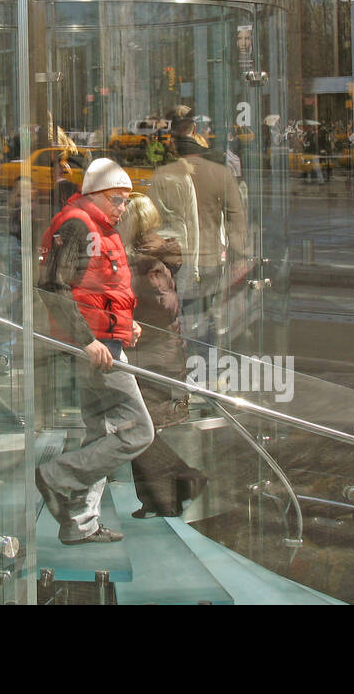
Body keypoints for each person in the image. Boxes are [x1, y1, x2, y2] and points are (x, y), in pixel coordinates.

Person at [35, 157, 154, 545]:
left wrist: (124, 324)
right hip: (95, 348)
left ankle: (79, 523)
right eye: (118, 199)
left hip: (102, 342)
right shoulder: (79, 225)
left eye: (125, 200)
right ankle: (56, 476)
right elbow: (53, 285)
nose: (123, 208)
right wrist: (88, 340)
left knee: (103, 431)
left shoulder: (95, 227)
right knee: (137, 430)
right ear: (97, 196)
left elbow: (102, 290)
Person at [116, 195, 206, 518]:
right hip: (150, 352)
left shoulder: (147, 261)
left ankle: (178, 485)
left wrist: (127, 295)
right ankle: (159, 498)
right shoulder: (145, 256)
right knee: (139, 428)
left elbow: (163, 304)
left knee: (138, 428)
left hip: (153, 355)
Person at [150, 105, 249, 344]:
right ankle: (205, 362)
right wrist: (239, 256)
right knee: (206, 317)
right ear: (195, 131)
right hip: (209, 256)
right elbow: (237, 218)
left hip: (175, 258)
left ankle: (185, 363)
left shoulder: (163, 174)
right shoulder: (219, 173)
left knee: (177, 318)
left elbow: (151, 221)